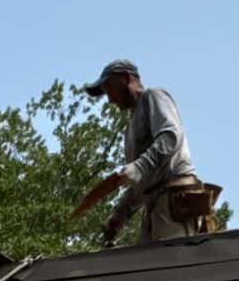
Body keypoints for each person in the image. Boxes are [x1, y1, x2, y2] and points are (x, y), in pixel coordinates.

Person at [70, 59, 211, 245]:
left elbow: (170, 136)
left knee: (172, 266)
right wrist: (121, 212)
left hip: (174, 201)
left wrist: (139, 167)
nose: (110, 99)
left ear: (127, 78)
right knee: (146, 267)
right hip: (153, 206)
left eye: (110, 88)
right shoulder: (130, 129)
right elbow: (140, 179)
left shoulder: (154, 96)